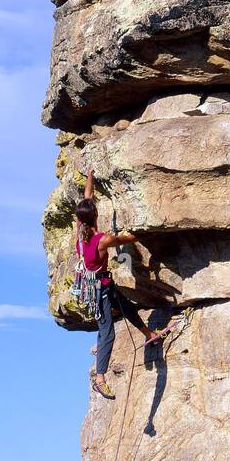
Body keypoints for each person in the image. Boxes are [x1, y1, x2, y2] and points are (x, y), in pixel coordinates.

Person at [74, 170, 170, 399]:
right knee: (107, 334)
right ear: (96, 214)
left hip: (100, 286)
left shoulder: (81, 231)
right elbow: (127, 239)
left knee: (126, 305)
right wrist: (151, 230)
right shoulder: (102, 240)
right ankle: (100, 378)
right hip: (99, 291)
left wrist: (90, 175)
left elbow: (88, 197)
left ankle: (148, 334)